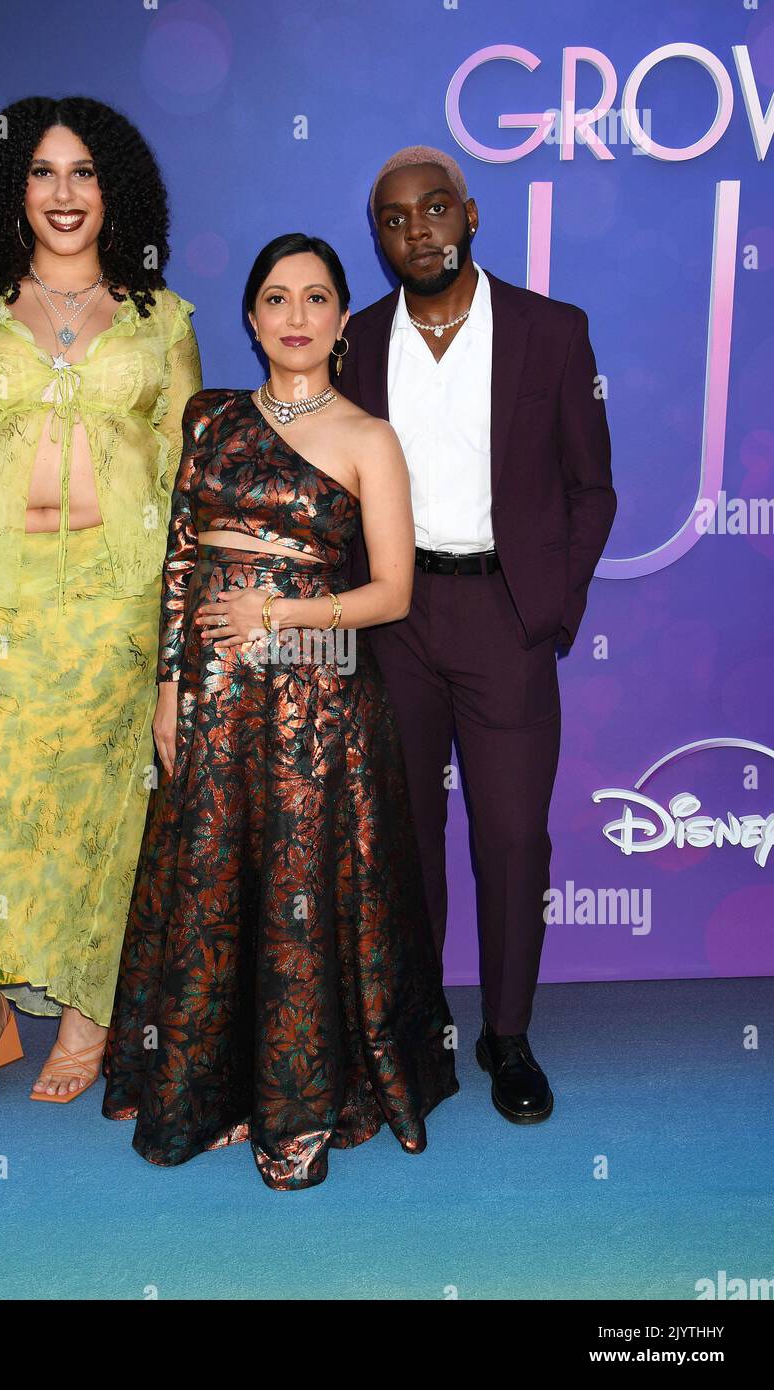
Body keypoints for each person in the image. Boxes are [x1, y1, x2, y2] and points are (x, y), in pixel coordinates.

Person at [102, 233, 459, 1190]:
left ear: (343, 320)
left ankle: (298, 1106)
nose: (295, 316)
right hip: (214, 697)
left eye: (315, 299)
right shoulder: (210, 419)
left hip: (316, 693)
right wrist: (172, 689)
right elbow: (183, 563)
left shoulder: (368, 438)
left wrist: (282, 611)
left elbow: (392, 593)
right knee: (218, 885)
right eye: (276, 298)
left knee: (299, 886)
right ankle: (211, 1094)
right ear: (252, 318)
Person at [0, 96, 202, 1118]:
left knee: (101, 821)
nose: (64, 193)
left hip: (114, 616)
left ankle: (87, 1015)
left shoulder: (164, 321)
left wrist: (171, 643)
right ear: (13, 190)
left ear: (113, 188)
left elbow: (183, 488)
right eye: (42, 172)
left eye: (83, 172)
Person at [334, 146, 617, 1124]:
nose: (416, 230)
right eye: (394, 219)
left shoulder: (550, 331)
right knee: (403, 841)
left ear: (470, 215)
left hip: (504, 616)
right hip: (397, 619)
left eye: (434, 209)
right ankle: (416, 1029)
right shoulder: (355, 343)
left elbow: (592, 489)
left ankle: (506, 1036)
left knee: (508, 839)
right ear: (378, 237)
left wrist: (549, 606)